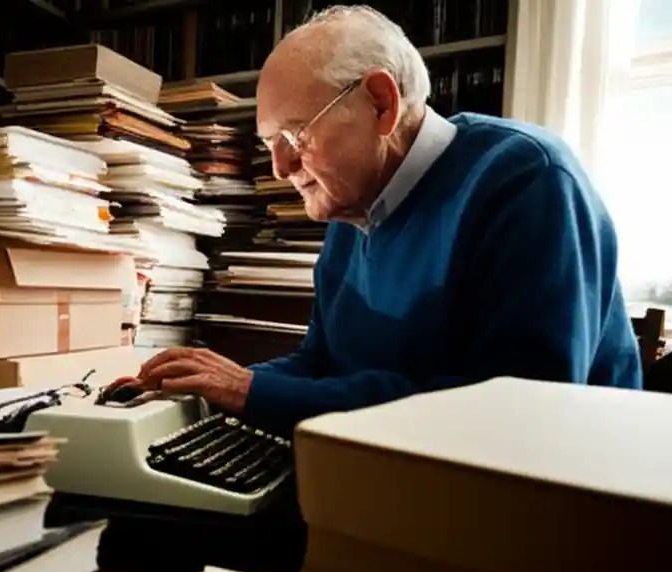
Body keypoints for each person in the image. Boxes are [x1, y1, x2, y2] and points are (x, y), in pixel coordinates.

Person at [116, 5, 642, 436]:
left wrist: (249, 391)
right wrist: (210, 385)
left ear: (381, 103)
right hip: (398, 478)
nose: (280, 168)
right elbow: (322, 362)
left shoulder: (527, 180)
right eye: (270, 144)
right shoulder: (355, 208)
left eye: (295, 137)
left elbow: (512, 413)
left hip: (548, 515)